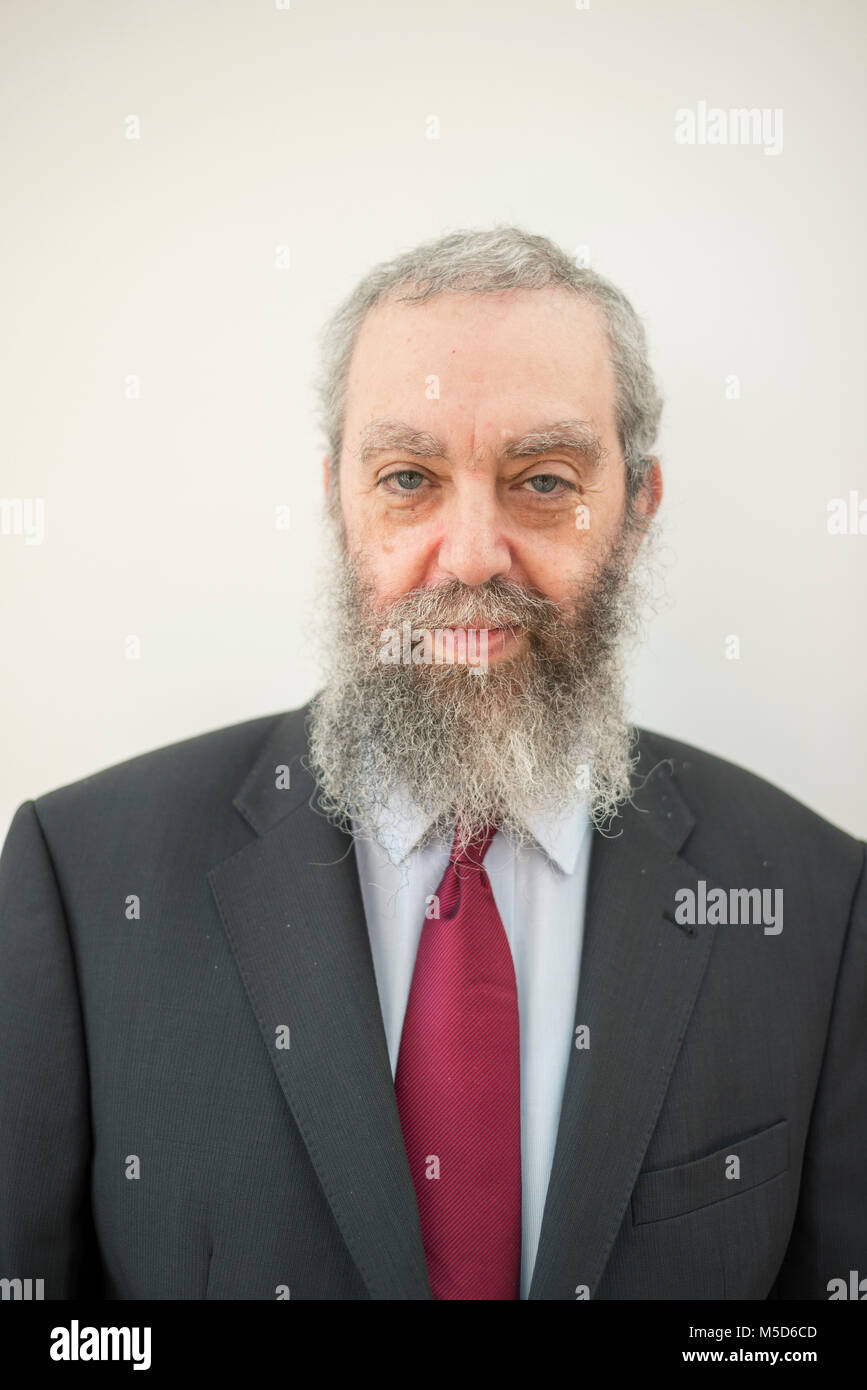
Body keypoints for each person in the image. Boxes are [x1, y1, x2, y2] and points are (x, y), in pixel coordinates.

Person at [0, 226, 863, 1300]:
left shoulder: (819, 905)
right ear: (337, 501)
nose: (469, 556)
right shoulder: (81, 881)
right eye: (409, 476)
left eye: (543, 481)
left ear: (638, 512)